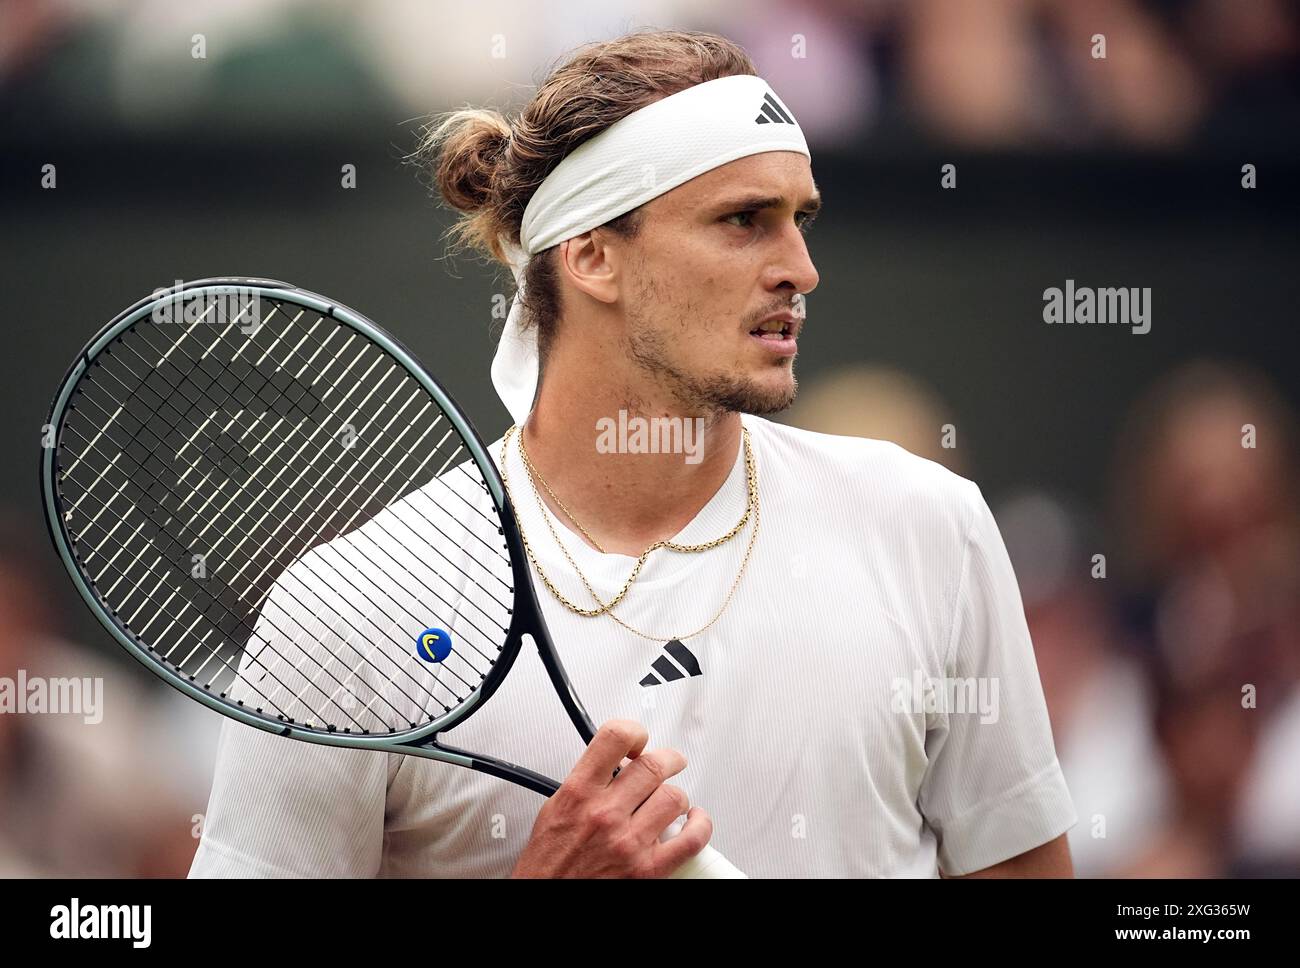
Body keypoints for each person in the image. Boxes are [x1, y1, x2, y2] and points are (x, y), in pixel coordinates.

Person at [190, 27, 1075, 878]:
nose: (801, 269)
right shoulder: (348, 608)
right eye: (743, 221)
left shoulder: (931, 527)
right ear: (591, 257)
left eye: (800, 218)